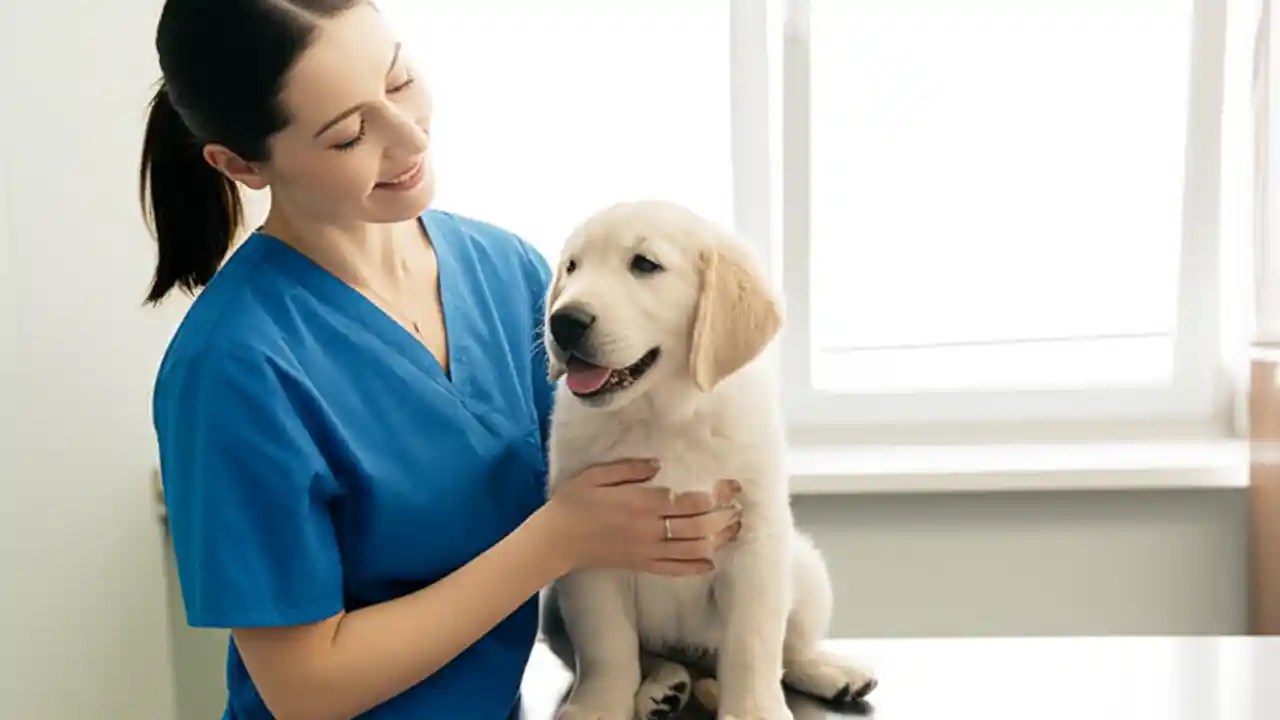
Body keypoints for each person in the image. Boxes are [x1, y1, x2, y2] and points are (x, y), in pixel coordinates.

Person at [140, 1, 743, 718]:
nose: (407, 138)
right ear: (240, 163)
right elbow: (305, 689)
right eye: (351, 135)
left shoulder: (508, 272)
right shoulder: (232, 368)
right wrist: (559, 538)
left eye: (399, 81)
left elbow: (616, 467)